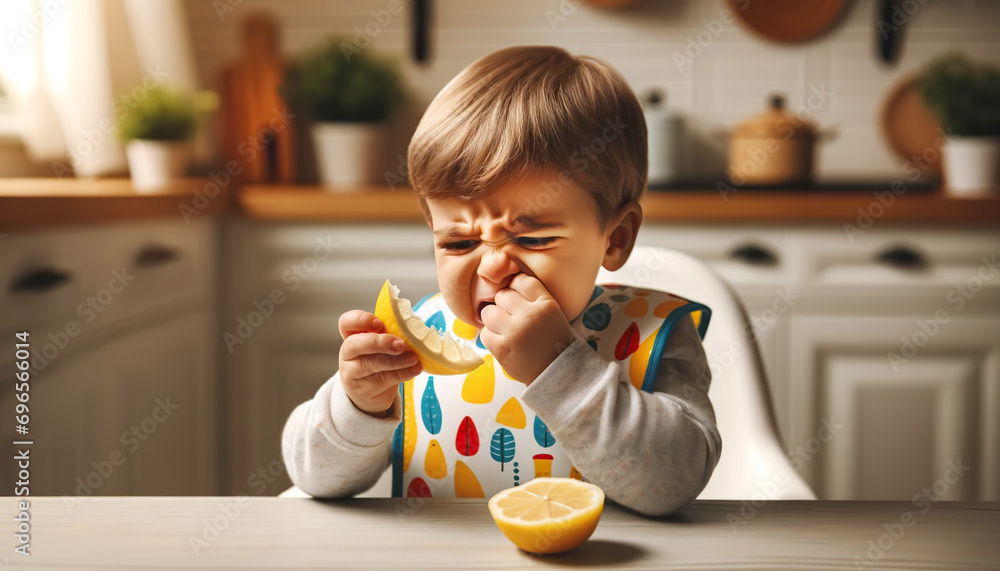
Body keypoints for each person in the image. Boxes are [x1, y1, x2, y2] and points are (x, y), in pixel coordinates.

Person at [282, 45, 720, 516]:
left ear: (615, 238)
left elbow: (674, 483)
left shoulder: (654, 335)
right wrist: (360, 407)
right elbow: (314, 478)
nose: (492, 268)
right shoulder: (414, 342)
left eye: (533, 240)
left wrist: (562, 370)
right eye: (457, 244)